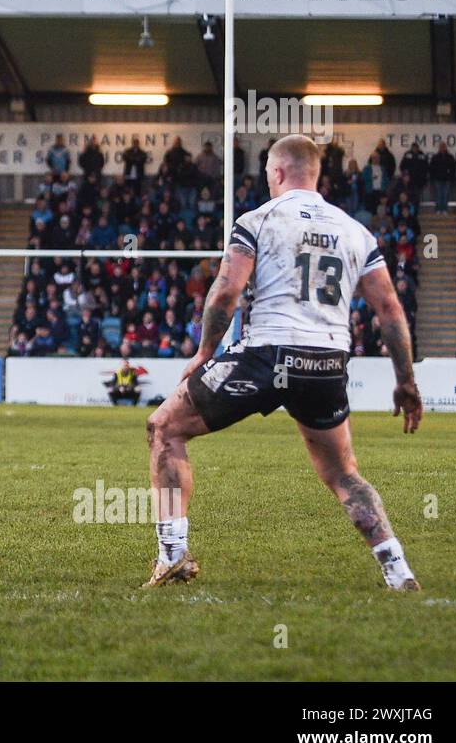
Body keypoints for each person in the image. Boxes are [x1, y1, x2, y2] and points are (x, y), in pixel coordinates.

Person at [142, 134, 423, 590]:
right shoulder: (356, 230)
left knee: (164, 428)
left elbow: (227, 291)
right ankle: (398, 569)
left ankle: (173, 555)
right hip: (328, 362)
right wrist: (406, 380)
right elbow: (390, 310)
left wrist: (205, 352)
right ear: (316, 175)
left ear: (276, 173)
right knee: (343, 474)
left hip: (267, 353)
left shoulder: (259, 219)